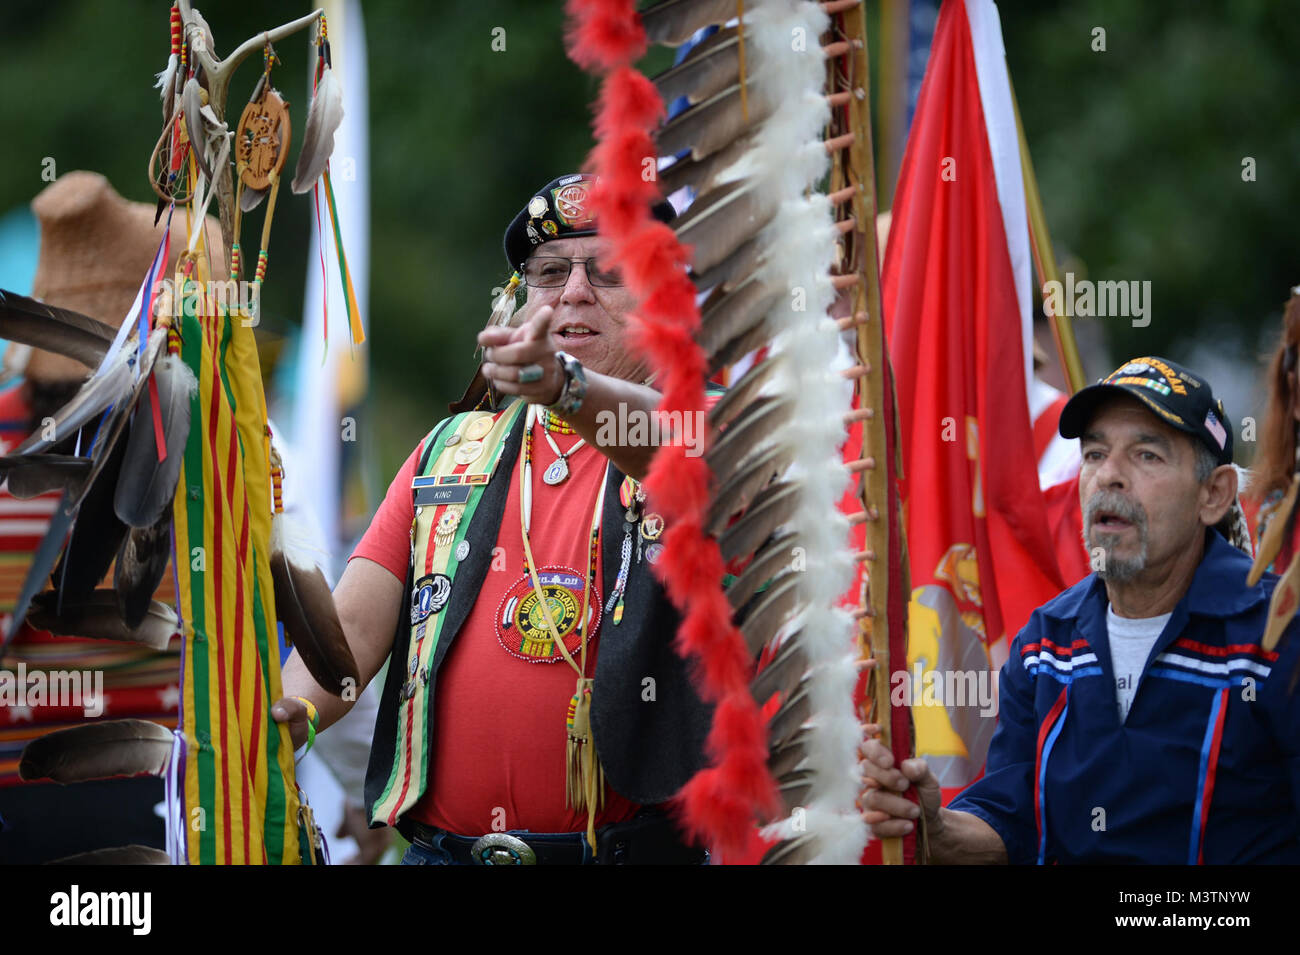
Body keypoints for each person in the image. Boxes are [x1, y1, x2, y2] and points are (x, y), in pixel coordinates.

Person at [272, 174, 712, 865]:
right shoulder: (448, 452)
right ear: (520, 298)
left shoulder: (696, 429)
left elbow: (670, 449)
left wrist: (567, 388)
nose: (573, 291)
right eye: (549, 272)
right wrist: (280, 723)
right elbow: (350, 630)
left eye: (608, 270)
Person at [862, 356, 1300, 863]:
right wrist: (930, 824)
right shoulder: (1045, 644)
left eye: (1147, 456)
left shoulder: (1277, 635)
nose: (1108, 476)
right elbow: (1010, 823)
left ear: (1214, 494)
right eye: (1094, 454)